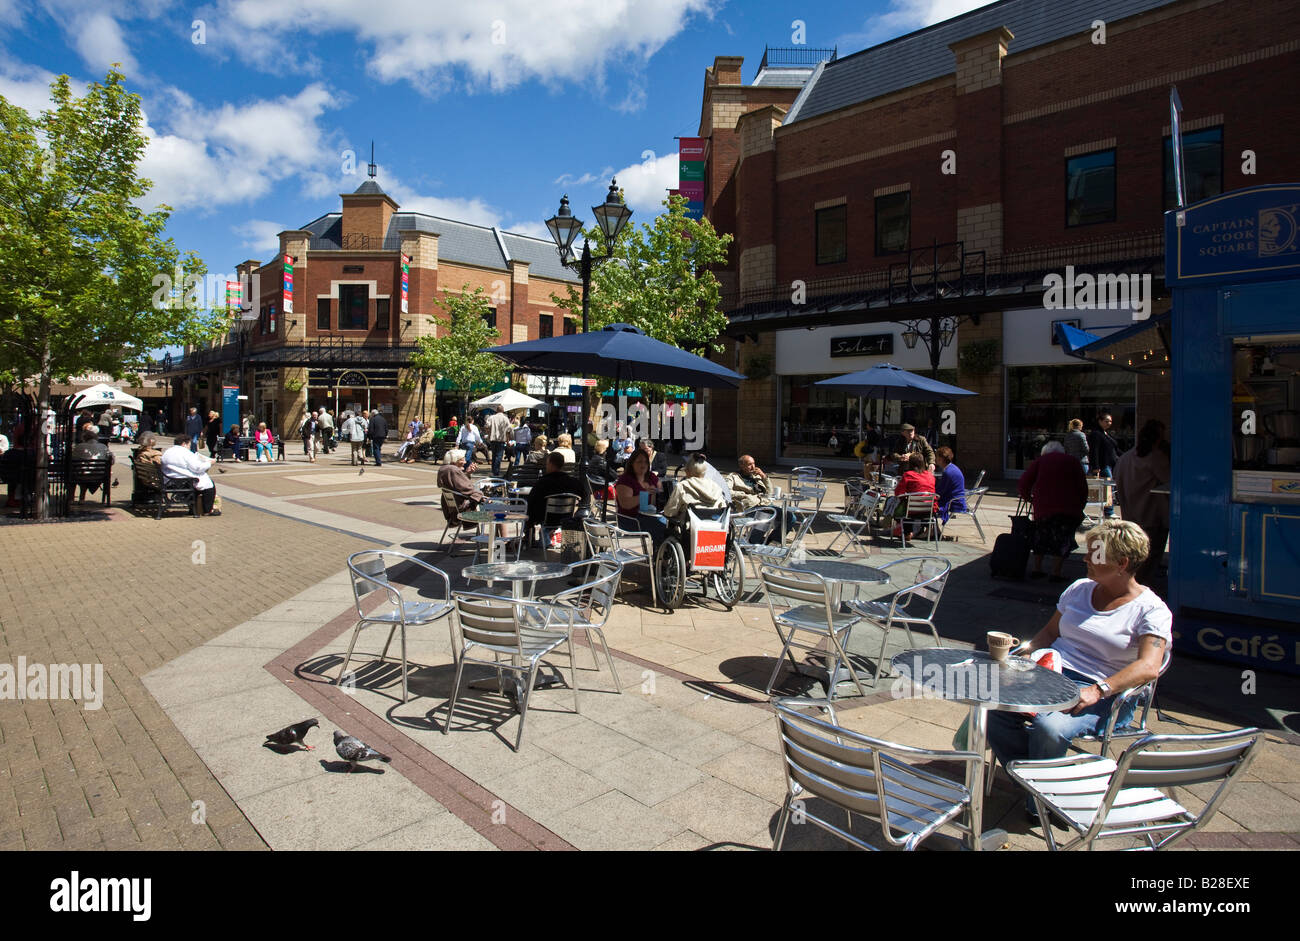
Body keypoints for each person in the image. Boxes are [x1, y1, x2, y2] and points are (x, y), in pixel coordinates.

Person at [986, 520, 1171, 817]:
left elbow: (1149, 666)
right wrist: (1021, 654)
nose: (1085, 558)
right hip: (1051, 674)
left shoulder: (1151, 610)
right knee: (993, 708)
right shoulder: (1080, 589)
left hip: (1105, 690)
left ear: (1122, 563)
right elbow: (1049, 635)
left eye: (1094, 554)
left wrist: (1099, 690)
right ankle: (1035, 783)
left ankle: (1040, 804)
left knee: (1049, 728)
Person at [1019, 440, 1088, 582]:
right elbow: (1082, 486)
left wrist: (1029, 498)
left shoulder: (1040, 461)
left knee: (1040, 538)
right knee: (1062, 539)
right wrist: (1080, 506)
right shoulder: (1073, 461)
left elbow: (1024, 482)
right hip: (1068, 508)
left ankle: (1037, 569)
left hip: (1043, 508)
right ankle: (1056, 572)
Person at [1114, 419, 1171, 586]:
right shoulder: (1155, 458)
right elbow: (1170, 480)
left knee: (1134, 556)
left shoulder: (1125, 458)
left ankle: (1130, 584)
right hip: (1152, 516)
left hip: (1131, 515)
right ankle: (1139, 586)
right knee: (1149, 556)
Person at [615, 447, 666, 546]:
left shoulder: (652, 477)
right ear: (632, 463)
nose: (643, 465)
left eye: (645, 462)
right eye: (639, 462)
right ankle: (659, 556)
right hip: (631, 520)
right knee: (661, 528)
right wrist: (645, 494)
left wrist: (658, 493)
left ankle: (666, 554)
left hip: (652, 516)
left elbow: (662, 493)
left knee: (671, 526)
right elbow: (626, 504)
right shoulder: (625, 480)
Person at [161, 432, 219, 515]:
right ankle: (207, 510)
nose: (189, 447)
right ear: (184, 444)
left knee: (199, 482)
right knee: (209, 485)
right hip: (182, 481)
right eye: (189, 445)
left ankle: (194, 509)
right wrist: (209, 463)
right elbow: (197, 468)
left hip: (169, 479)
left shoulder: (167, 452)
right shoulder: (185, 453)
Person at [526, 451, 585, 529]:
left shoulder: (542, 483)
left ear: (550, 464)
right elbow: (584, 496)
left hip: (545, 518)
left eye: (547, 464)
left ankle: (529, 536)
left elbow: (531, 502)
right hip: (566, 517)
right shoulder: (573, 482)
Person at [662, 456, 726, 525]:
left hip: (689, 530)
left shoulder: (682, 486)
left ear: (687, 471)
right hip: (715, 528)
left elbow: (669, 512)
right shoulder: (716, 487)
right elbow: (724, 509)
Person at [70, 427, 114, 503]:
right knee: (84, 474)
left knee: (75, 474)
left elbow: (73, 460)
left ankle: (72, 499)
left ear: (84, 438)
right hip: (100, 475)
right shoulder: (103, 447)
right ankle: (83, 498)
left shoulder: (79, 447)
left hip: (81, 475)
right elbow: (112, 461)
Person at [1088, 412, 1120, 518]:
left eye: (1110, 421)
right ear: (1100, 421)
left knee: (1109, 488)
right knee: (1107, 488)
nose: (1109, 423)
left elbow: (1114, 448)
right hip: (1103, 465)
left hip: (1111, 464)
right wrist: (1096, 467)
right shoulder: (1096, 434)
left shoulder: (1106, 434)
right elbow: (1094, 451)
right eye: (1106, 421)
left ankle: (1109, 510)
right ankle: (1109, 511)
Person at [437, 452, 485, 517]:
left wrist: (467, 473)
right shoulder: (453, 470)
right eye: (462, 460)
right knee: (499, 510)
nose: (465, 462)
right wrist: (482, 496)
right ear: (454, 461)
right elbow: (467, 489)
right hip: (463, 508)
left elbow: (458, 484)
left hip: (452, 508)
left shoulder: (445, 469)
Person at [933, 446, 967, 524]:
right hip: (957, 499)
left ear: (941, 459)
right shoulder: (952, 468)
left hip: (954, 502)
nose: (935, 460)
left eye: (937, 457)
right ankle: (933, 530)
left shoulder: (948, 472)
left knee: (928, 505)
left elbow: (940, 491)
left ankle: (931, 530)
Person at [485, 404, 512, 476]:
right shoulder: (506, 418)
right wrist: (508, 441)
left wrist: (489, 433)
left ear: (496, 410)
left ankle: (494, 471)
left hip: (493, 439)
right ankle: (496, 472)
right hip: (501, 440)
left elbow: (487, 426)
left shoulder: (491, 417)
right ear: (503, 410)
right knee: (499, 456)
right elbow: (508, 430)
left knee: (494, 455)